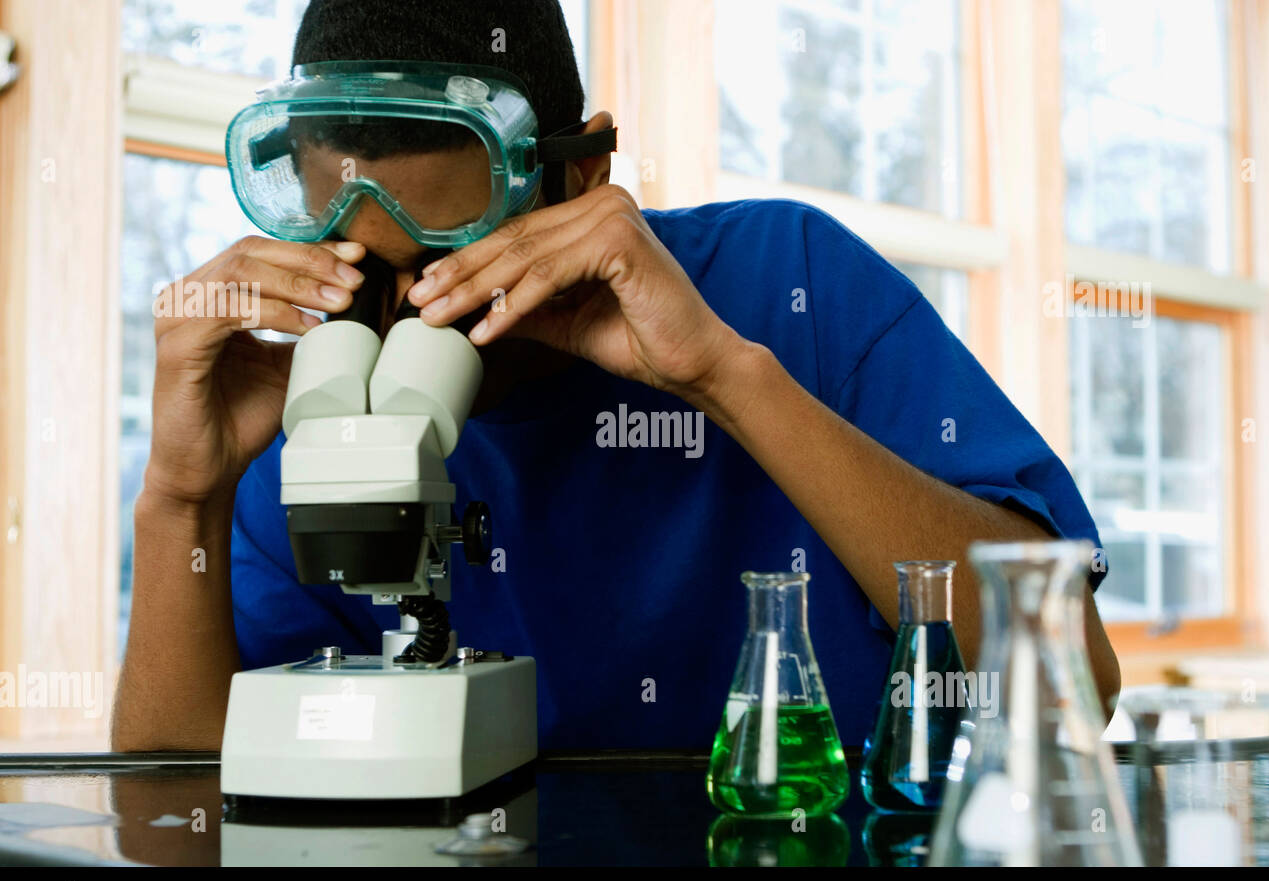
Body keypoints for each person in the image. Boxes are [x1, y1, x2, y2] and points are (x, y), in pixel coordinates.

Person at [112, 0, 1118, 752]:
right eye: (359, 264)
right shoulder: (304, 415)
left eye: (449, 257)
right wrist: (181, 496)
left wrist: (723, 374)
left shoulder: (786, 282)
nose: (398, 315)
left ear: (579, 177)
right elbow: (183, 812)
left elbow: (1076, 674)